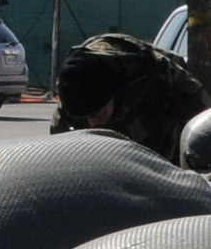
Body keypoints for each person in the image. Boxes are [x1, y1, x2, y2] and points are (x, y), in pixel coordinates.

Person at [51, 31, 211, 161]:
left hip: (165, 163)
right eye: (84, 118)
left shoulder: (160, 76)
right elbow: (58, 151)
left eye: (97, 113)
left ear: (112, 93)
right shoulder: (73, 87)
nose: (92, 123)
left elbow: (204, 127)